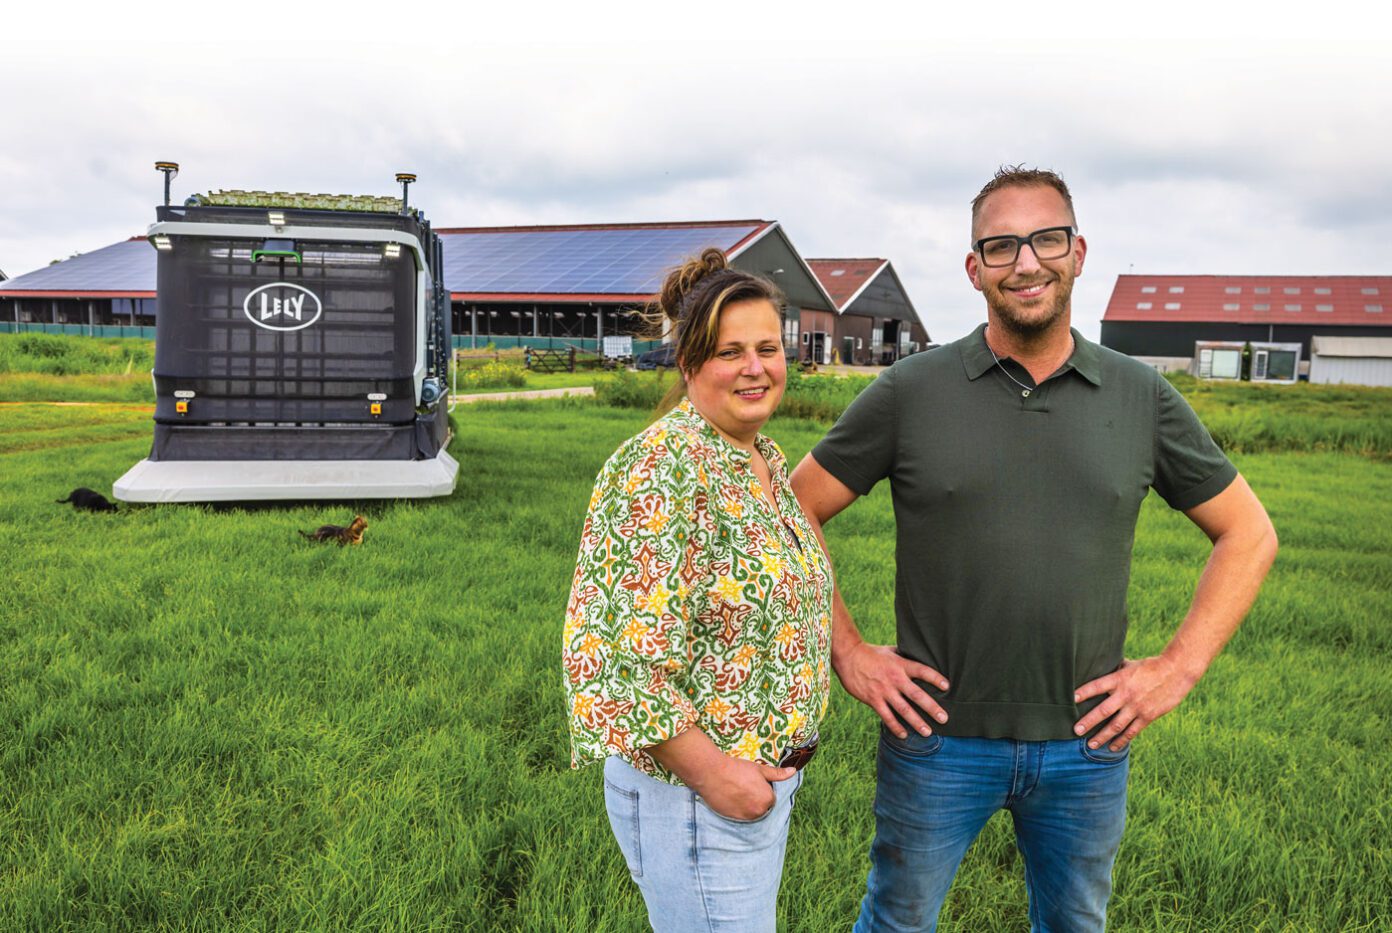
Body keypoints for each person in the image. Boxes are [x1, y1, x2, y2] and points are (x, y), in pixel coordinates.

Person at [790, 166, 1279, 931]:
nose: (1026, 262)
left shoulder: (1141, 396)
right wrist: (847, 652)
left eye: (1046, 239)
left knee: (1074, 923)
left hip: (1087, 745)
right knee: (897, 920)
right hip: (935, 741)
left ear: (1077, 252)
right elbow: (793, 508)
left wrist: (1177, 669)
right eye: (1002, 245)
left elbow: (1249, 532)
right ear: (974, 267)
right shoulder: (911, 391)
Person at [563, 248, 834, 932]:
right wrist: (716, 777)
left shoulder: (758, 457)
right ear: (688, 363)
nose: (755, 367)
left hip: (748, 786)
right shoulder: (664, 466)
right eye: (728, 352)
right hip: (697, 798)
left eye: (767, 348)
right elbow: (615, 658)